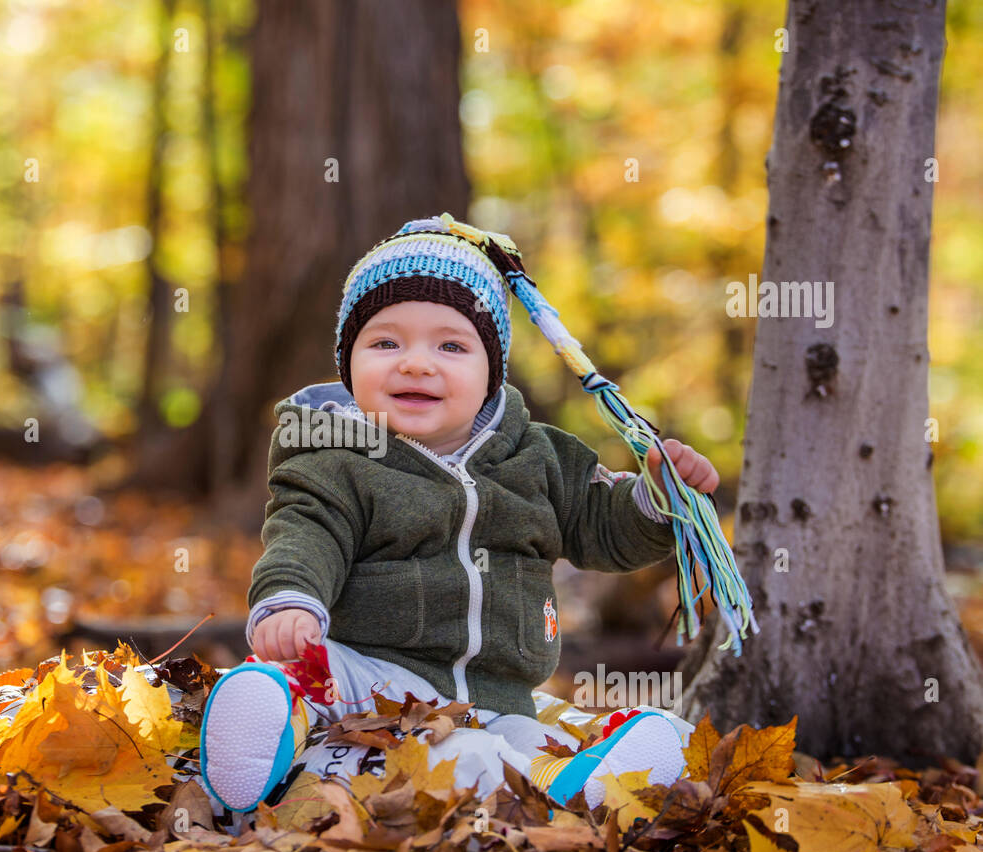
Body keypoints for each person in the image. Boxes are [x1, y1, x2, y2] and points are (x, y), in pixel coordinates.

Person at [198, 213, 718, 816]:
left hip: (501, 694)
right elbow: (304, 533)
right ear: (349, 362)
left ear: (490, 370)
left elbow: (600, 527)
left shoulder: (536, 457)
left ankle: (576, 783)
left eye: (451, 345)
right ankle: (263, 722)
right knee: (311, 674)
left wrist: (658, 498)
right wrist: (290, 598)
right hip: (371, 675)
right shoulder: (335, 457)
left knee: (519, 742)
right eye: (386, 342)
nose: (417, 363)